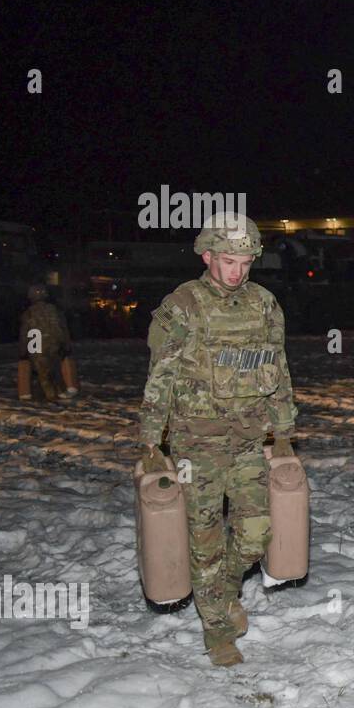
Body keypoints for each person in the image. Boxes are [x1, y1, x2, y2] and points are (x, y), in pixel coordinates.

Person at [139, 213, 298, 667]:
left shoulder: (264, 304)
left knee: (255, 533)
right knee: (204, 537)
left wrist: (284, 430)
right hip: (196, 444)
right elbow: (161, 374)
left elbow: (278, 366)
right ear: (207, 256)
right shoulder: (183, 305)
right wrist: (151, 440)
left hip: (248, 438)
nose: (236, 272)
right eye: (228, 261)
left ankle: (224, 589)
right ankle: (217, 631)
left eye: (245, 263)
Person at [18, 283, 77, 402]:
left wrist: (23, 351)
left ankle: (45, 395)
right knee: (54, 370)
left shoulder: (29, 313)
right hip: (54, 345)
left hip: (36, 347)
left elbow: (25, 334)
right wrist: (66, 345)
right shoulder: (55, 311)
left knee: (41, 373)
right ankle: (60, 391)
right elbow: (63, 329)